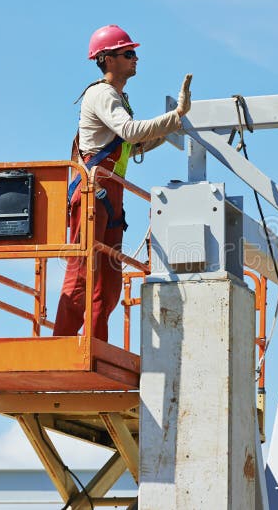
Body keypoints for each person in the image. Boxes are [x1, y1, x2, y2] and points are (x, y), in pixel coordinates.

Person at [53, 24, 192, 341]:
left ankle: (95, 347)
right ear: (107, 59)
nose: (135, 58)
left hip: (110, 194)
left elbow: (133, 144)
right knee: (81, 276)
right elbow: (130, 132)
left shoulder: (117, 98)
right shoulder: (101, 94)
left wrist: (172, 126)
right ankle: (61, 346)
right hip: (93, 192)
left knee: (109, 284)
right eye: (128, 53)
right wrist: (175, 116)